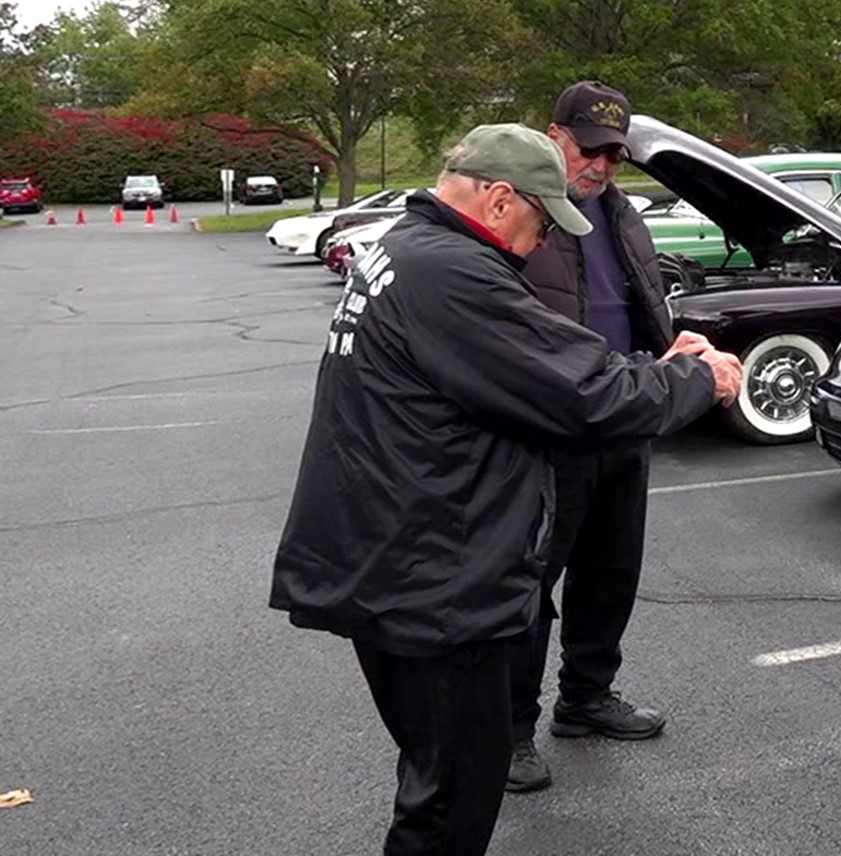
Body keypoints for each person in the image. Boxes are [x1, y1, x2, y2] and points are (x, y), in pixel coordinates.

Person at [270, 123, 742, 856]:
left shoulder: (401, 248)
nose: (543, 241)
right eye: (540, 220)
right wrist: (696, 377)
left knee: (439, 769)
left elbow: (538, 373)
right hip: (431, 580)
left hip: (392, 558)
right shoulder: (455, 272)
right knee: (453, 794)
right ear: (497, 199)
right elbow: (584, 397)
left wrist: (655, 364)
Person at [503, 82, 697, 793]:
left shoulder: (623, 214)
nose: (602, 165)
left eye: (616, 154)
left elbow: (645, 304)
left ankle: (585, 698)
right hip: (550, 430)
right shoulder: (524, 216)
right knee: (530, 584)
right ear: (553, 136)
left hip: (622, 415)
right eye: (590, 149)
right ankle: (510, 731)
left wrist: (674, 357)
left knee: (611, 571)